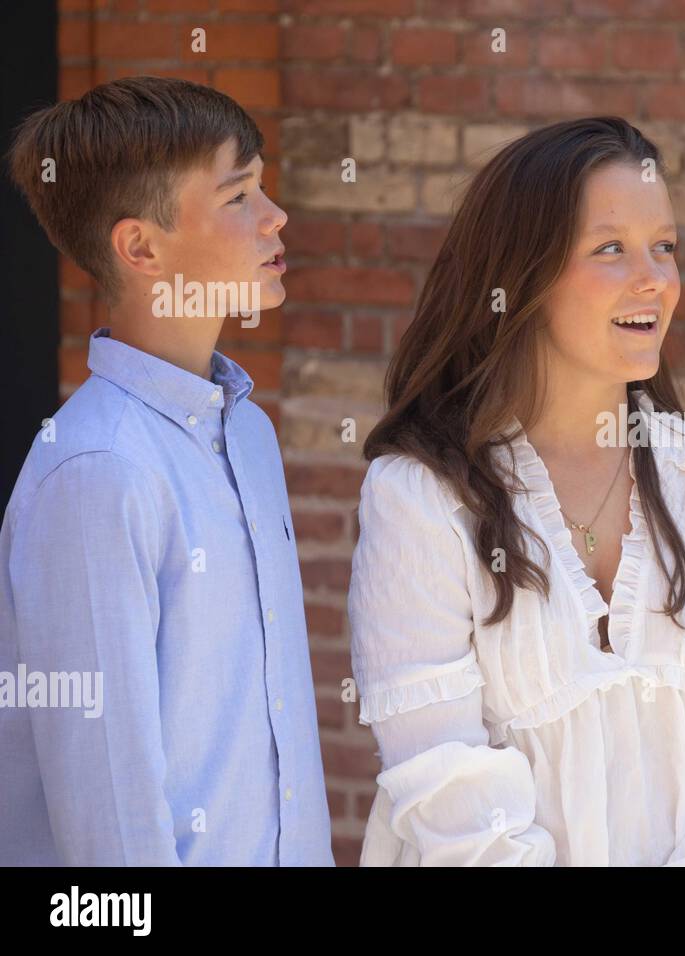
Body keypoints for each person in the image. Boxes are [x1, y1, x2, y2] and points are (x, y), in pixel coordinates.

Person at [347, 116, 685, 866]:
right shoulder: (420, 496)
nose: (655, 278)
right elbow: (443, 778)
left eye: (664, 246)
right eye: (611, 249)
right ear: (521, 276)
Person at [0, 76, 333, 865]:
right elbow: (109, 819)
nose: (275, 215)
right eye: (239, 195)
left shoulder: (247, 432)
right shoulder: (97, 471)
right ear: (141, 248)